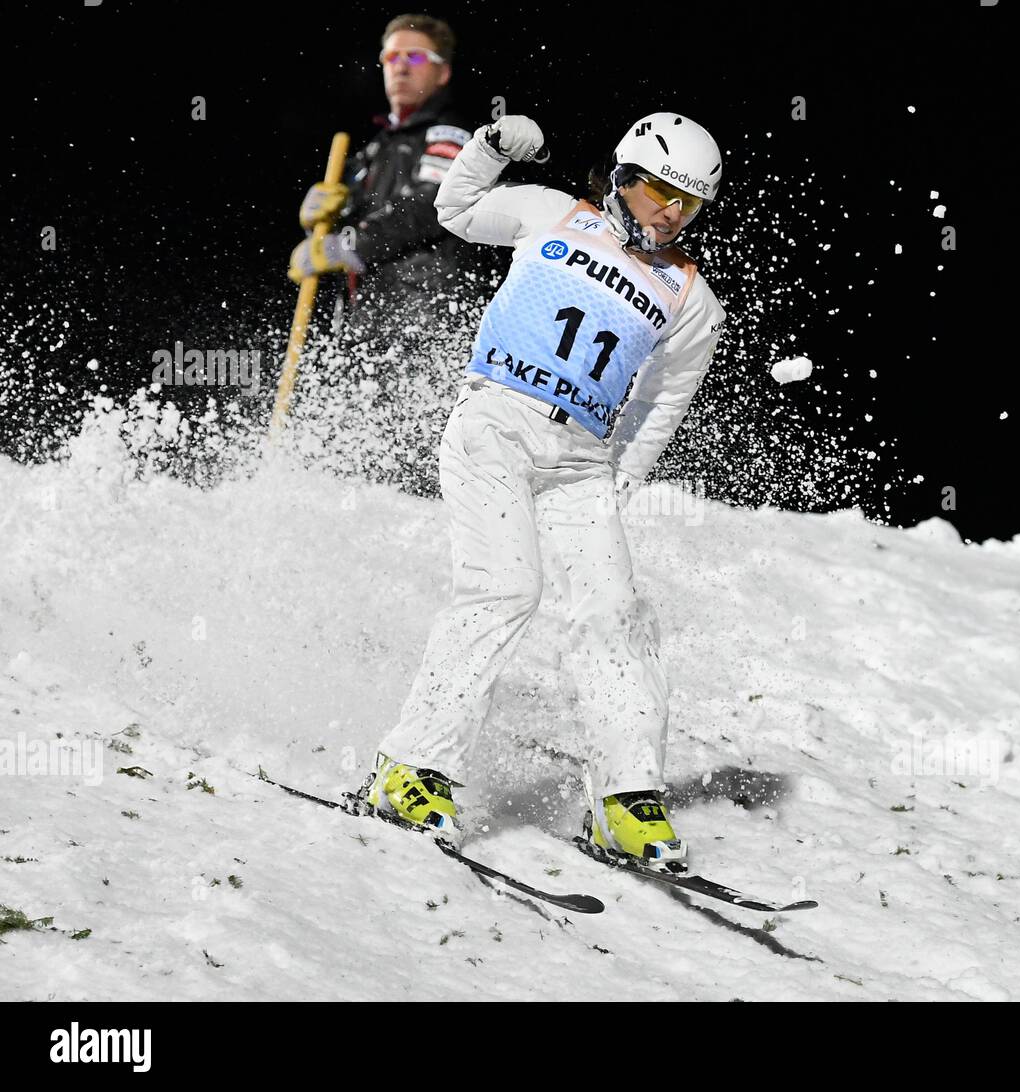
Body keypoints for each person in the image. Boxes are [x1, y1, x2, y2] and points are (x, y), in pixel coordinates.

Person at [355, 111, 727, 873]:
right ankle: (409, 768)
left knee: (616, 612)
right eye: (661, 192)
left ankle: (626, 800)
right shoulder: (552, 213)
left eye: (688, 203)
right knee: (505, 590)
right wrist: (489, 147)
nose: (671, 213)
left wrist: (619, 483)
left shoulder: (691, 297)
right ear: (623, 176)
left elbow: (661, 402)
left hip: (581, 461)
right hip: (494, 423)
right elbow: (457, 210)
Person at [288, 13, 481, 334]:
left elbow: (433, 203)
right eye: (391, 57)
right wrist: (321, 226)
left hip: (425, 322)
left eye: (416, 57)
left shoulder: (451, 134)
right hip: (364, 325)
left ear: (443, 72)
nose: (401, 67)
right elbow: (347, 234)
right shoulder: (373, 151)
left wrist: (353, 243)